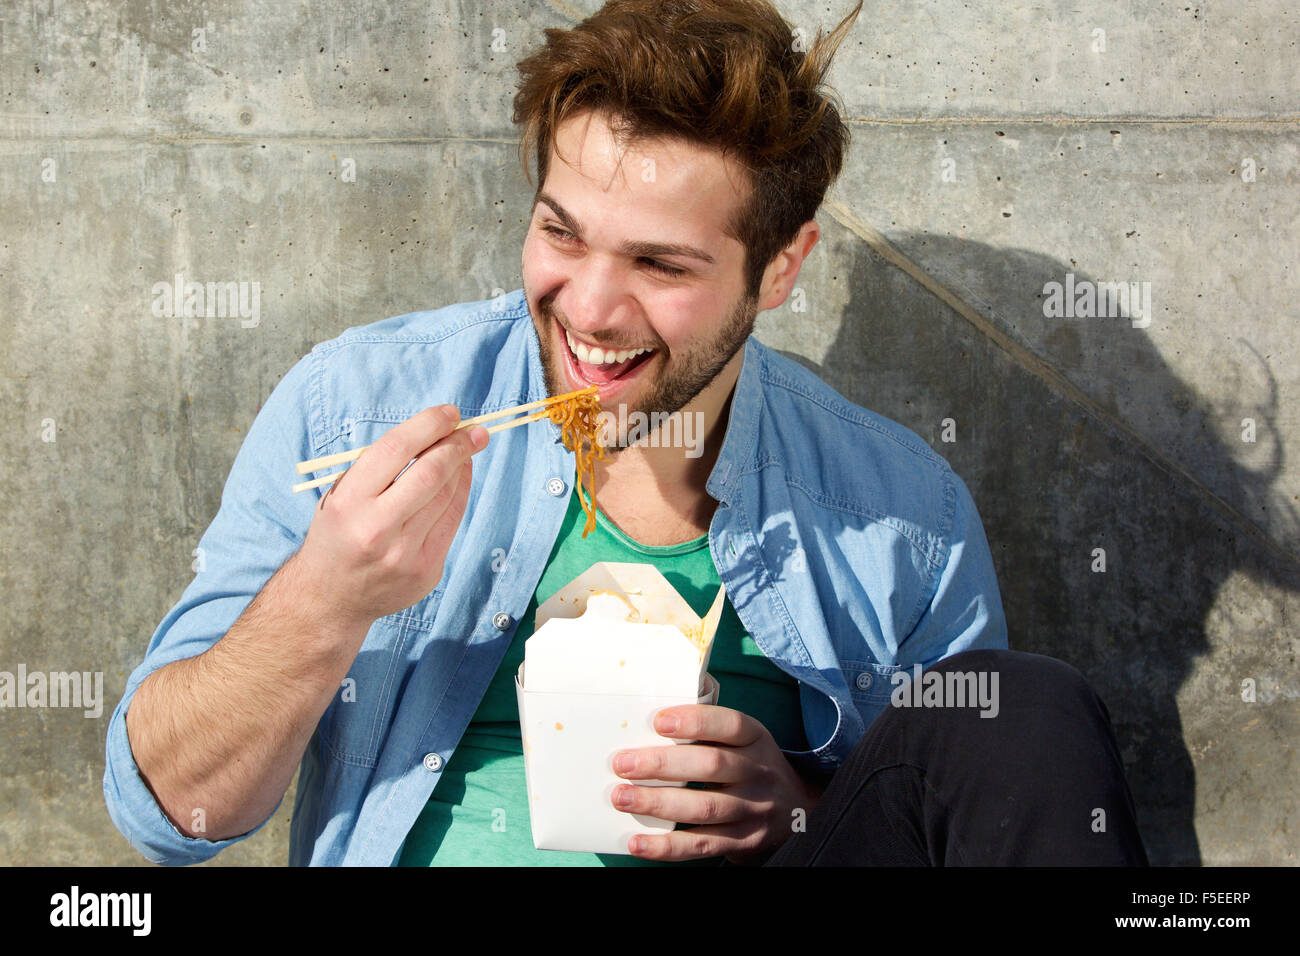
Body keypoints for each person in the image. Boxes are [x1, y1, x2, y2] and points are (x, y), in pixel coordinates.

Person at [104, 0, 1146, 866]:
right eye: (561, 234)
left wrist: (797, 810)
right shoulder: (359, 407)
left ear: (780, 266)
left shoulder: (900, 514)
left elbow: (967, 825)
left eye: (660, 265)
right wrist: (328, 594)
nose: (590, 308)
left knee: (1024, 710)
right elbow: (166, 814)